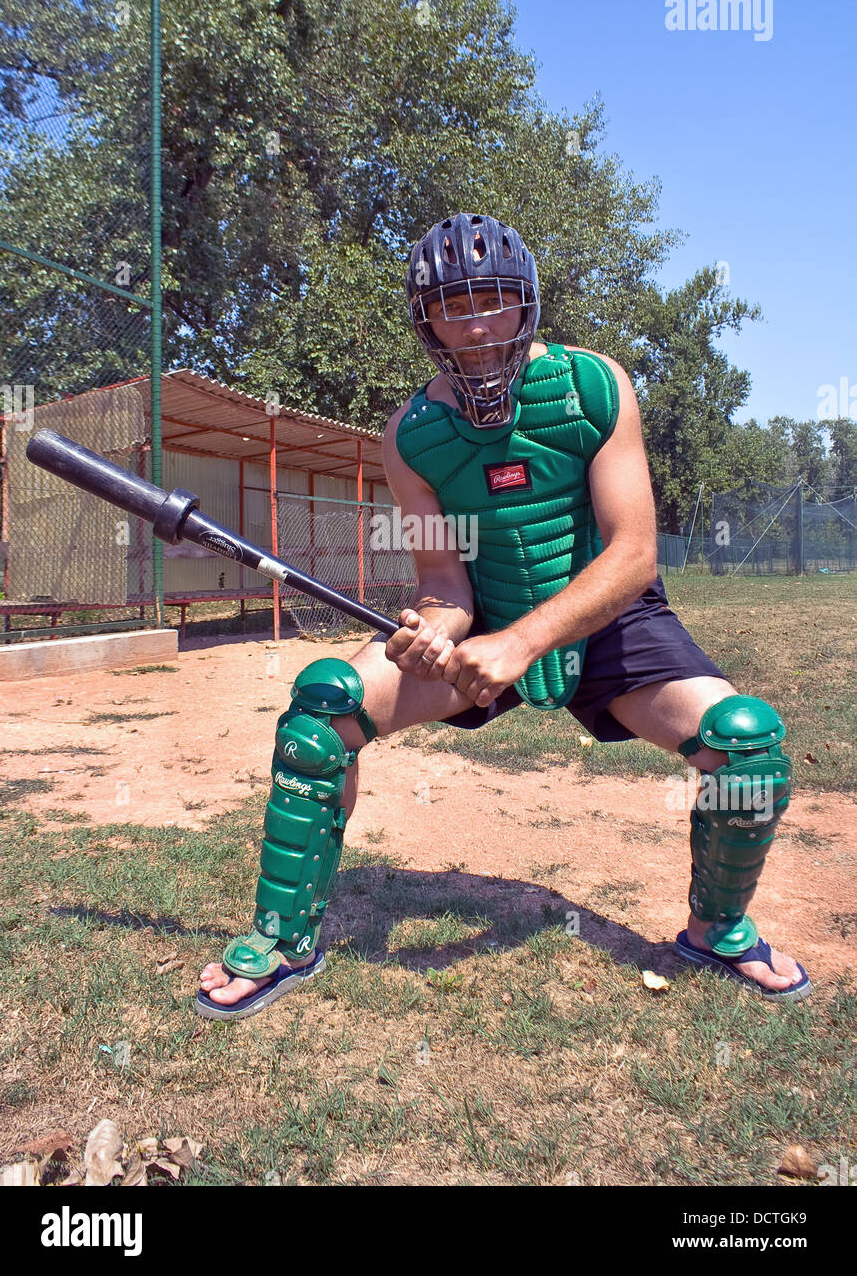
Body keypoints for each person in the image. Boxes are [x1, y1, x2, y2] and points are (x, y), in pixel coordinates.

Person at [196, 212, 811, 1019]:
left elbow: (632, 556)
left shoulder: (597, 386)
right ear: (427, 322)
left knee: (747, 744)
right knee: (322, 712)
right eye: (455, 305)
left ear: (526, 304)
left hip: (607, 620)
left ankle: (716, 930)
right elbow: (445, 582)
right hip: (485, 624)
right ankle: (283, 938)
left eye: (493, 299)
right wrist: (436, 630)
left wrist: (524, 642)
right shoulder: (410, 438)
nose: (478, 324)